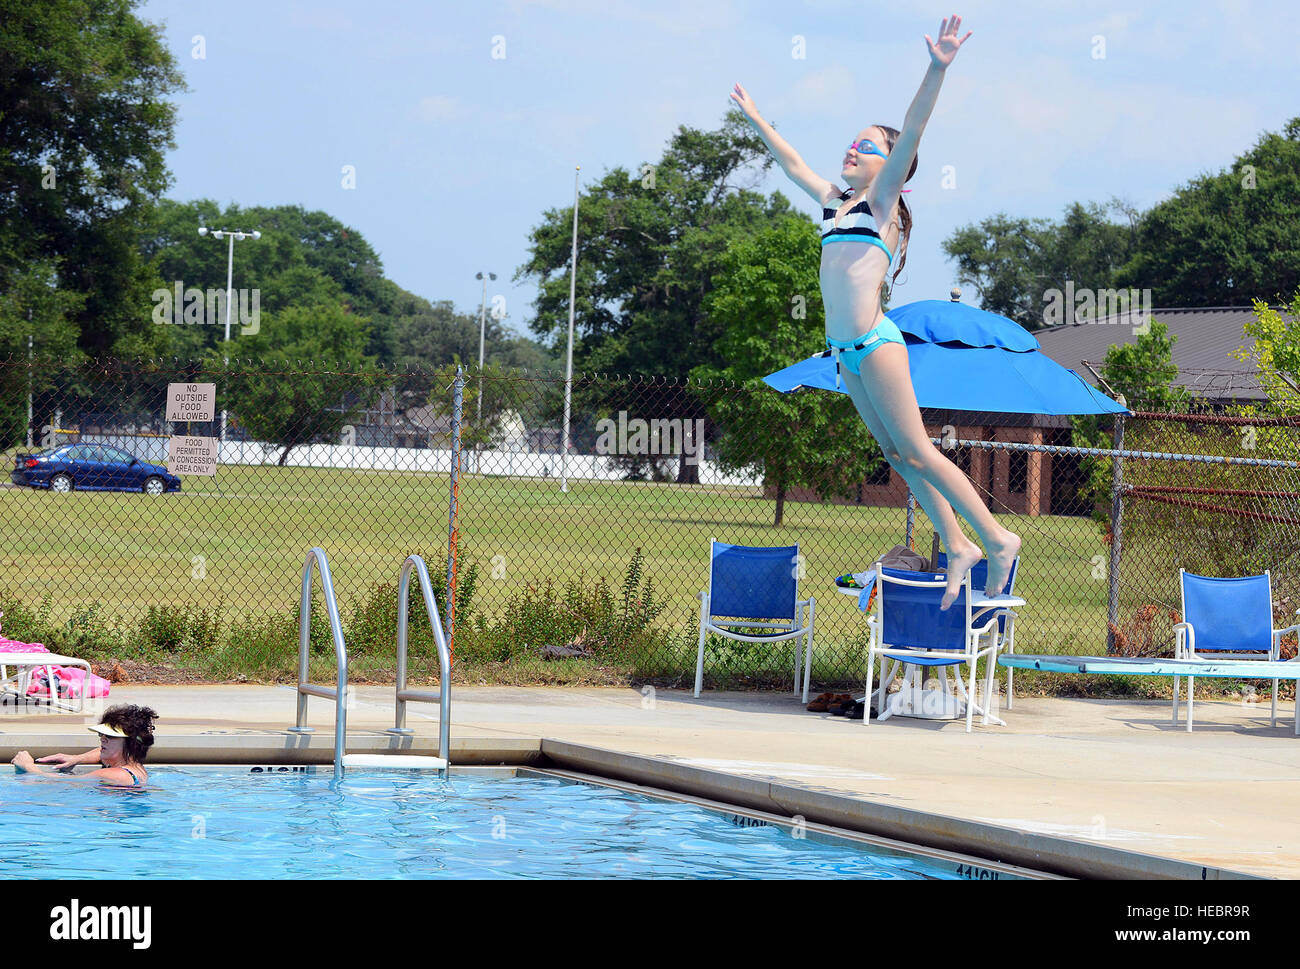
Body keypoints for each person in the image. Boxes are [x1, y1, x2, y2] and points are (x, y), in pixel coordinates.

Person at [731, 14, 1019, 609]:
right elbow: (792, 164)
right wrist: (759, 119)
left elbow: (913, 126)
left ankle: (996, 537)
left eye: (866, 145)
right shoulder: (836, 203)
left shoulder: (881, 201)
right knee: (897, 455)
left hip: (877, 344)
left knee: (919, 451)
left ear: (889, 166)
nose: (852, 148)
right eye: (852, 141)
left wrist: (936, 68)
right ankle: (958, 545)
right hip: (844, 353)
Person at [11, 704, 158, 787]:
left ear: (130, 743)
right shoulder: (134, 766)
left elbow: (61, 781)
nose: (103, 740)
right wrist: (77, 758)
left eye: (110, 736)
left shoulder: (113, 774)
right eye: (102, 735)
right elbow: (102, 752)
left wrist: (28, 767)